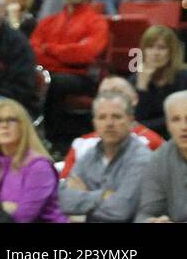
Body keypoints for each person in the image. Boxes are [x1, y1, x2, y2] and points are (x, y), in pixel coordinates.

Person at [34, 0, 110, 144]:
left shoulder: (97, 22)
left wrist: (50, 48)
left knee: (55, 81)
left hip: (83, 78)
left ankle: (53, 141)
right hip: (50, 75)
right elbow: (34, 53)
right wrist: (66, 55)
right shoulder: (47, 22)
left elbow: (85, 55)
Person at [57, 91, 150, 222]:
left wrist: (83, 199)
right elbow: (63, 201)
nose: (109, 123)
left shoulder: (141, 158)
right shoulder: (89, 155)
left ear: (131, 120)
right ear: (94, 122)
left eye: (117, 117)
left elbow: (120, 210)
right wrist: (103, 195)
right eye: (102, 117)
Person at [0, 98, 67, 223]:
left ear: (23, 127)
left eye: (11, 120)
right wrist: (4, 206)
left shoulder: (38, 167)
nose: (4, 125)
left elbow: (23, 217)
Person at [136, 90, 187, 222]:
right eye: (176, 119)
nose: (184, 126)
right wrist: (152, 221)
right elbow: (145, 213)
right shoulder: (159, 159)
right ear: (168, 125)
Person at [132, 25, 187, 138]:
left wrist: (142, 126)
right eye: (150, 47)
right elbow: (135, 119)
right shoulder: (134, 80)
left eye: (162, 48)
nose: (155, 53)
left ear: (171, 52)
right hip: (145, 140)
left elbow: (180, 118)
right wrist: (142, 87)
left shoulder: (183, 77)